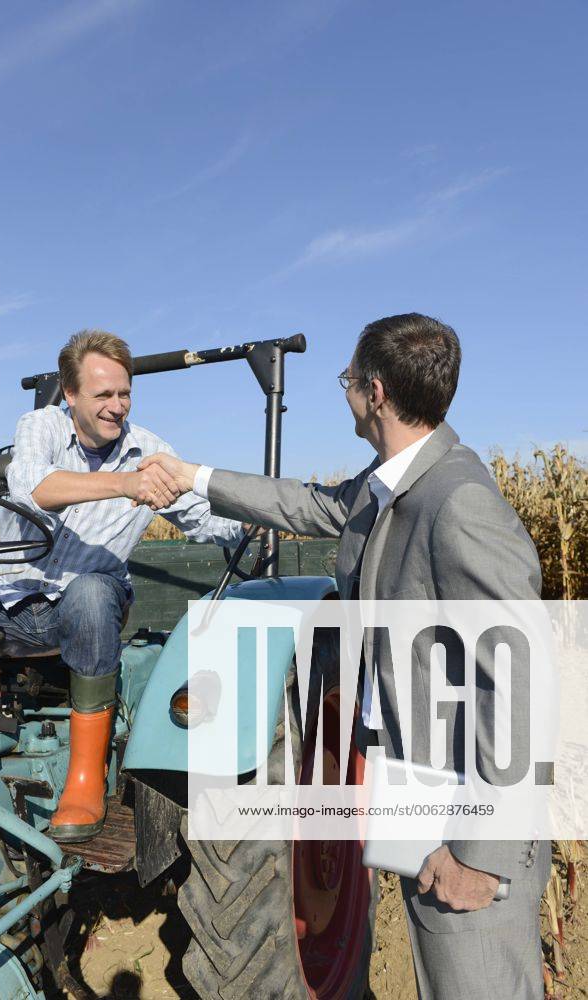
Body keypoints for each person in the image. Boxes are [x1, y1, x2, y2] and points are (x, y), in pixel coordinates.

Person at [138, 312, 550, 1000]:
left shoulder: (459, 502)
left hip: (469, 819)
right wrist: (192, 476)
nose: (347, 393)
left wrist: (482, 856)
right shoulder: (389, 487)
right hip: (421, 798)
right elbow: (304, 504)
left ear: (376, 392)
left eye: (349, 380)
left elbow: (519, 681)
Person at [0, 330, 244, 844]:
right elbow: (35, 486)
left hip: (89, 604)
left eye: (124, 393)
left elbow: (202, 519)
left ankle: (85, 781)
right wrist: (126, 483)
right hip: (11, 599)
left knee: (91, 589)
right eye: (103, 395)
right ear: (70, 395)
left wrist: (253, 518)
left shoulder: (152, 452)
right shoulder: (39, 426)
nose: (117, 406)